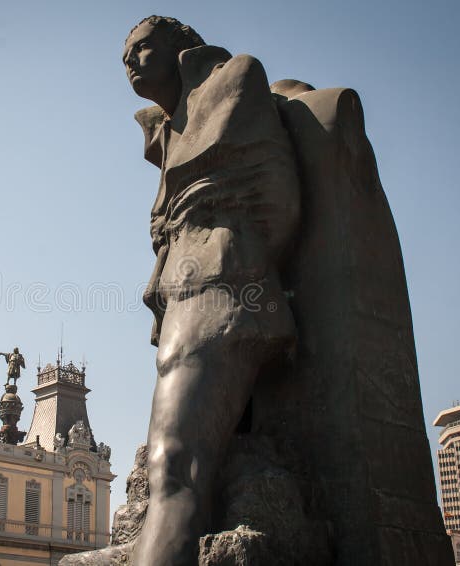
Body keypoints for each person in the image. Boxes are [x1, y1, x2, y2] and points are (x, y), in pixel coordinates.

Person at [123, 16, 301, 565]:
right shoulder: (169, 130)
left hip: (221, 287)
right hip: (189, 292)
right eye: (123, 55)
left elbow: (279, 203)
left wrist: (229, 261)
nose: (129, 60)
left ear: (180, 49)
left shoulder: (235, 80)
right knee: (179, 465)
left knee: (174, 462)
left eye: (141, 47)